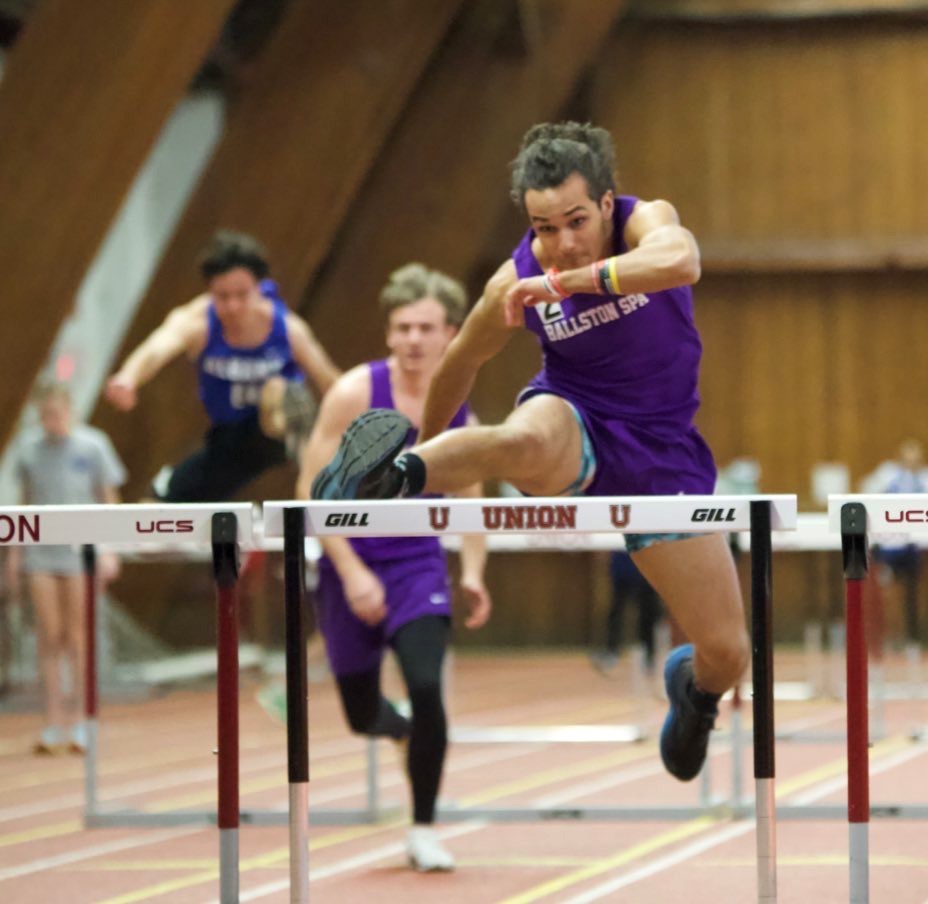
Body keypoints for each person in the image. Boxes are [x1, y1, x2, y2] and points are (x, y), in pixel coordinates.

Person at [311, 121, 747, 784]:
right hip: (574, 416)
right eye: (544, 228)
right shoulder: (514, 280)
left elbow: (680, 261)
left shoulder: (644, 222)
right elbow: (460, 361)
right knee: (523, 438)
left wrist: (568, 285)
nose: (562, 243)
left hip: (663, 453)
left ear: (606, 204)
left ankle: (696, 694)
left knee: (728, 653)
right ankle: (393, 475)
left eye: (576, 221)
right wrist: (424, 448)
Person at [297, 263, 491, 871]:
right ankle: (404, 731)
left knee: (427, 688)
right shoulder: (355, 394)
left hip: (416, 563)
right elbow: (310, 491)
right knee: (361, 716)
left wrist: (473, 572)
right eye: (402, 327)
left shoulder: (457, 404)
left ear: (450, 333)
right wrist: (351, 571)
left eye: (425, 328)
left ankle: (424, 829)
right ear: (388, 333)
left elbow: (472, 498)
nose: (412, 339)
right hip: (348, 559)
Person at [104, 230, 339, 501]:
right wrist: (129, 377)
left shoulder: (287, 328)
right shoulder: (198, 322)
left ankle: (309, 465)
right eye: (222, 296)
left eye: (242, 295)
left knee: (278, 390)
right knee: (155, 503)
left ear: (260, 288)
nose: (233, 306)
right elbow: (157, 348)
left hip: (276, 429)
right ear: (209, 292)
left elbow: (331, 382)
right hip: (228, 440)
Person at [5, 379, 125, 754]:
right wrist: (15, 554)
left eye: (56, 414)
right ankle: (53, 721)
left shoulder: (94, 446)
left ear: (69, 410)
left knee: (77, 636)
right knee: (50, 635)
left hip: (80, 552)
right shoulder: (29, 449)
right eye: (44, 416)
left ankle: (83, 720)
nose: (51, 422)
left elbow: (109, 500)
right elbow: (24, 504)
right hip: (41, 553)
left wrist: (109, 550)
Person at [860, 439, 928, 651]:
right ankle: (892, 634)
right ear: (899, 458)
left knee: (914, 592)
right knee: (889, 592)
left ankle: (913, 636)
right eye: (907, 459)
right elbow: (865, 490)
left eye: (915, 460)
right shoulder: (887, 473)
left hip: (916, 545)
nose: (911, 463)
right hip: (889, 544)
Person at [590, 551, 663, 677]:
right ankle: (611, 652)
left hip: (645, 564)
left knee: (647, 615)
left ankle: (648, 657)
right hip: (623, 564)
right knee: (616, 612)